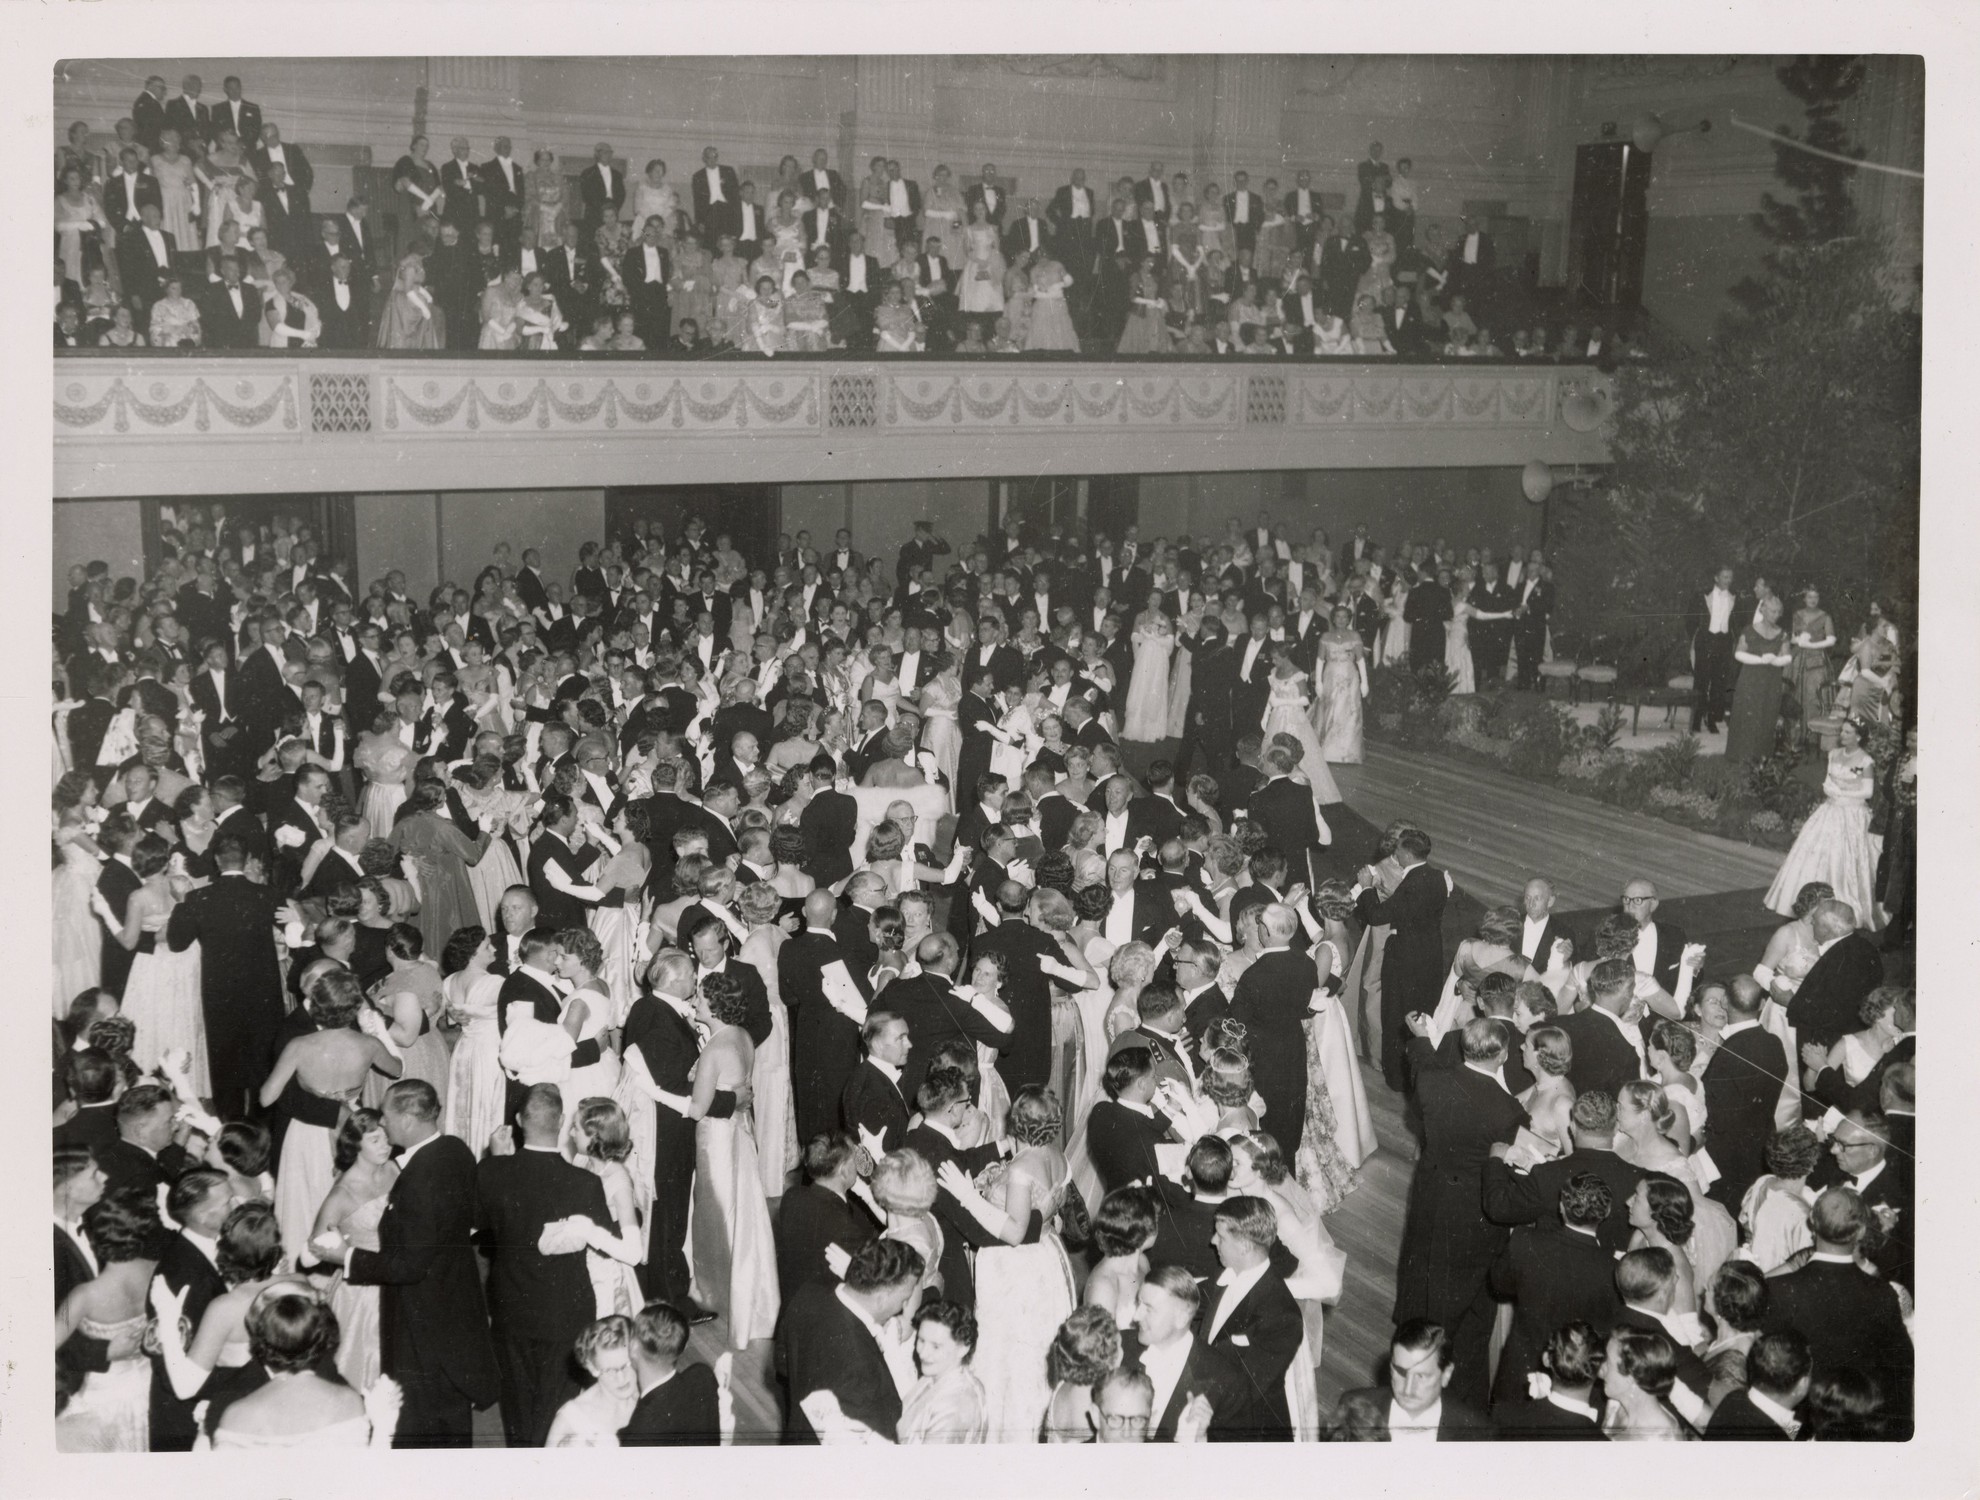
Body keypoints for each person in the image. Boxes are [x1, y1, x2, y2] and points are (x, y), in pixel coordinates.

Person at [313, 1079, 500, 1448]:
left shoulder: (417, 1181)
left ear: (408, 1120)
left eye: (386, 1115)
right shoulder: (455, 1149)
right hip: (454, 1300)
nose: (382, 1122)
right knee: (451, 1419)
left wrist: (345, 1257)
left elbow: (408, 1267)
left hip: (421, 1318)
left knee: (419, 1423)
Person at [209, 1292, 402, 1450]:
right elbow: (367, 1479)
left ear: (261, 1349)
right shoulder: (349, 1402)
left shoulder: (235, 1416)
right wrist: (384, 1425)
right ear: (320, 1344)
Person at [779, 1236, 924, 1442]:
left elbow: (782, 1362)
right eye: (904, 1300)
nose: (903, 1308)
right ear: (881, 1298)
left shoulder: (809, 1293)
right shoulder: (860, 1368)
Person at [54, 1188, 162, 1451]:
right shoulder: (157, 1270)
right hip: (148, 1388)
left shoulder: (86, 1295)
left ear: (95, 1236)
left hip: (103, 1397)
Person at [1764, 717, 1882, 928]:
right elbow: (1828, 780)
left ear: (1858, 737)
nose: (1842, 735)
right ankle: (1807, 903)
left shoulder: (1865, 761)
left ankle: (1846, 905)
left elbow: (1867, 792)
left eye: (1847, 732)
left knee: (1845, 859)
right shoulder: (1834, 754)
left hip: (1852, 813)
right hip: (1830, 809)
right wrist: (1830, 789)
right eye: (1842, 731)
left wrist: (1842, 793)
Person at [898, 1299, 991, 1443]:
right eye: (921, 1340)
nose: (923, 1353)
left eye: (936, 1346)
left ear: (962, 1348)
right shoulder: (934, 1375)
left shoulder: (955, 1403)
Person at [1724, 594, 1792, 763]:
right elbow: (1739, 654)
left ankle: (1762, 757)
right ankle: (1742, 756)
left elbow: (1787, 656)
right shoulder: (1749, 630)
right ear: (1763, 610)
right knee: (1747, 714)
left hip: (1771, 679)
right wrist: (1761, 660)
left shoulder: (1782, 634)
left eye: (1778, 612)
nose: (1776, 615)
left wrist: (1775, 660)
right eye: (1772, 611)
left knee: (1767, 715)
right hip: (1750, 678)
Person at [1314, 604, 1368, 763]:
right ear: (1333, 618)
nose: (1341, 620)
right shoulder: (1326, 636)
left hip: (1350, 677)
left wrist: (1364, 682)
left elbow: (1360, 660)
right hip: (1330, 676)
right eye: (1338, 616)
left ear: (1349, 619)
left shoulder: (1354, 635)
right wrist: (1318, 682)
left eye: (1344, 617)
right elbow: (1319, 660)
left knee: (1350, 712)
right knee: (1331, 711)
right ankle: (1329, 752)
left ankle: (1349, 753)